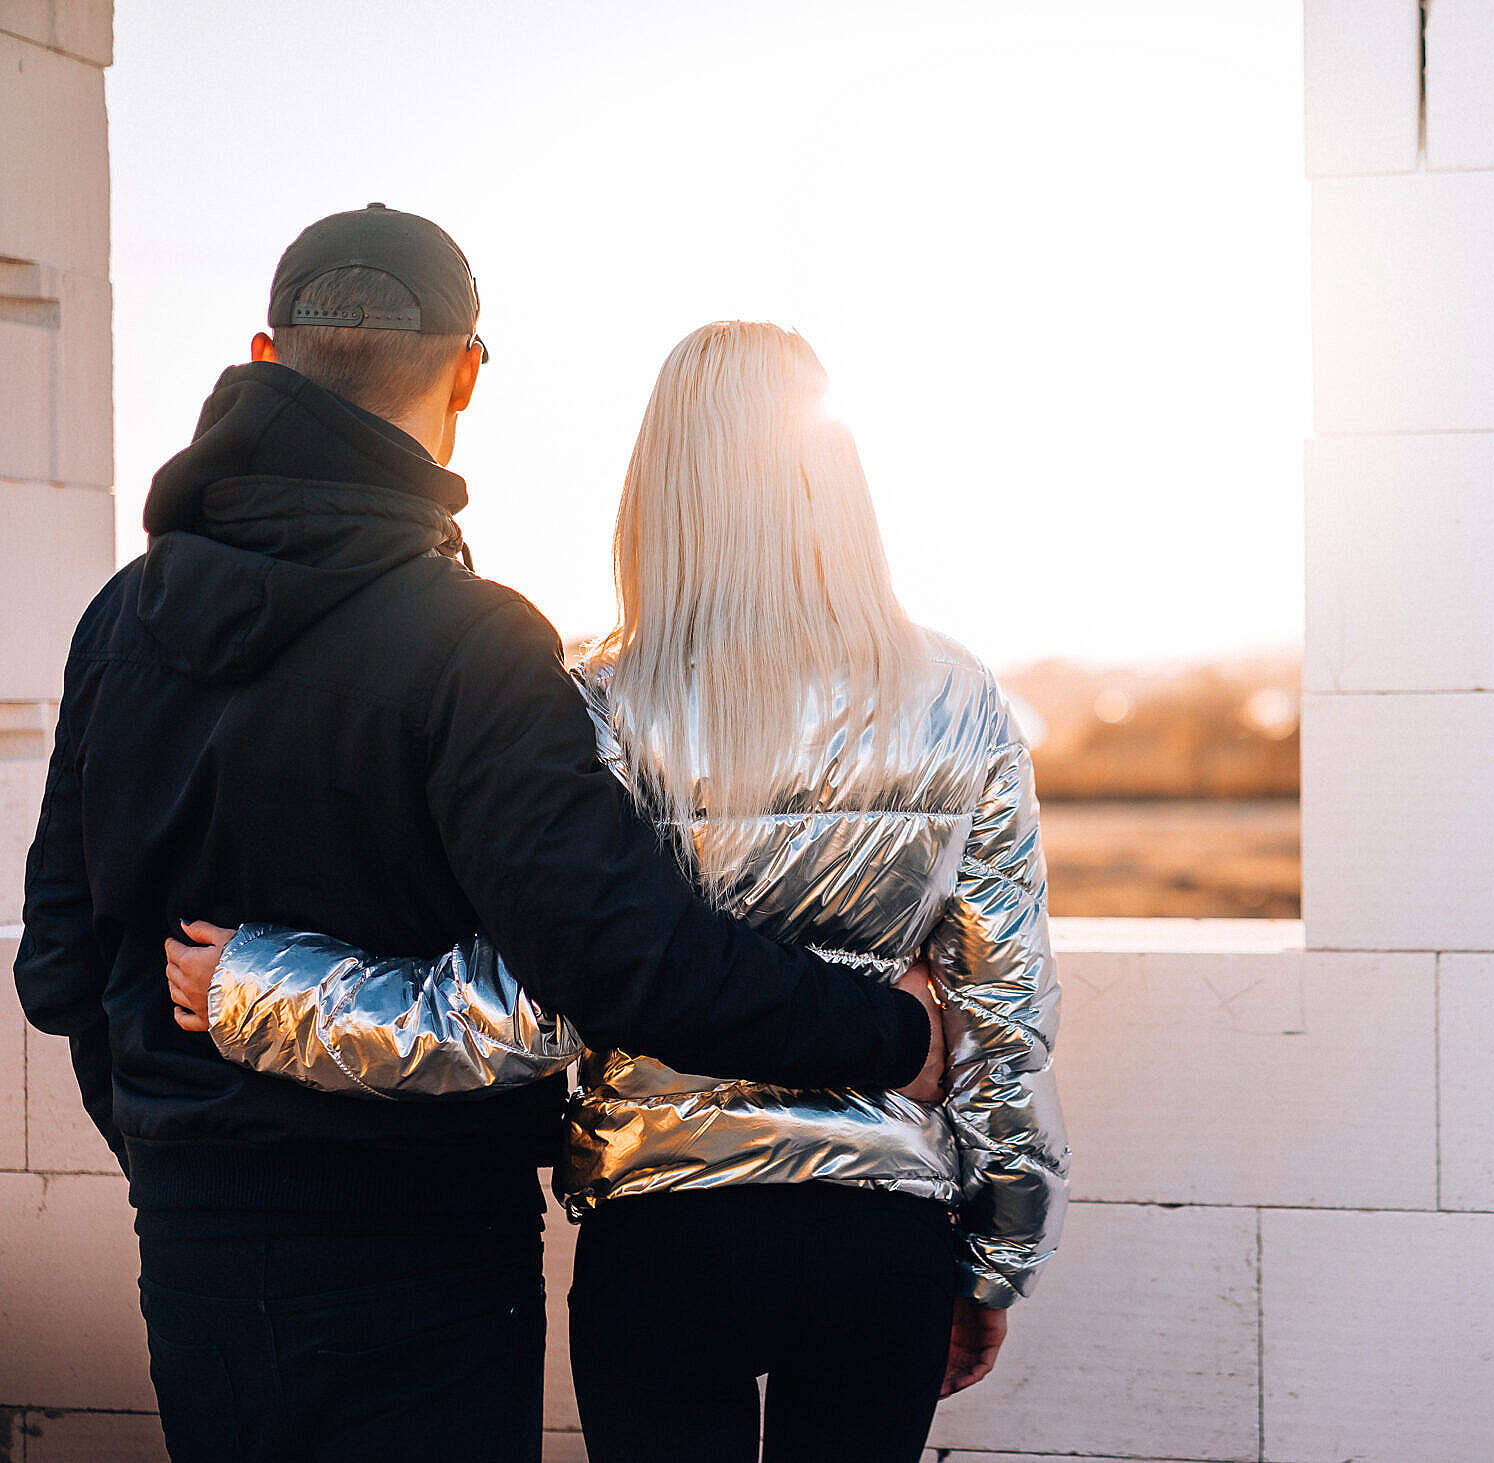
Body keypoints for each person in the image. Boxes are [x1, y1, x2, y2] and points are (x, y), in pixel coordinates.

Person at [13, 210, 944, 1463]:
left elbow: (58, 966)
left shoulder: (118, 620)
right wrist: (894, 1033)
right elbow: (615, 956)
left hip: (201, 1248)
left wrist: (173, 1145)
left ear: (262, 352)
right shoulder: (477, 643)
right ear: (466, 371)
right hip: (430, 1258)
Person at [164, 320, 1071, 1463]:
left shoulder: (590, 707)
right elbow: (1002, 1021)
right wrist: (996, 1257)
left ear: (659, 487)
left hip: (664, 1239)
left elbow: (521, 1010)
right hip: (883, 1233)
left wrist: (255, 988)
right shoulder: (960, 702)